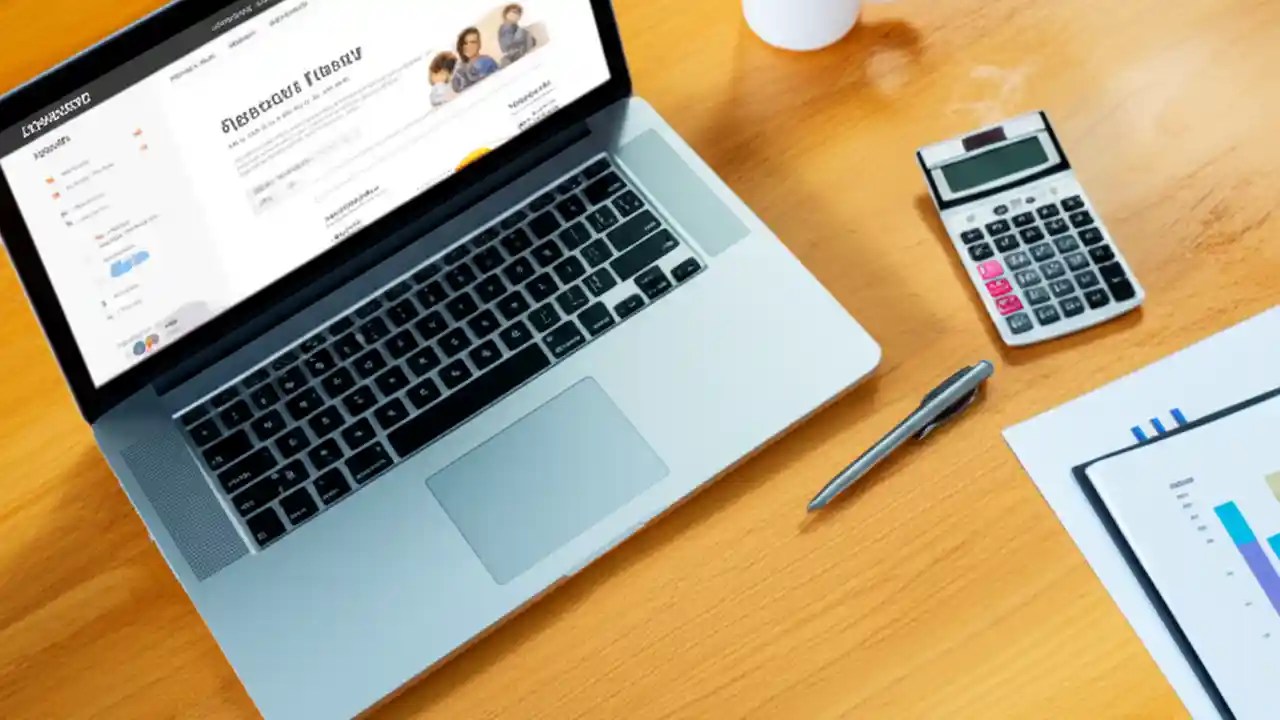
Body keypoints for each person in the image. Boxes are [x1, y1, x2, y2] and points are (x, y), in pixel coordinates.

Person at [451, 27, 499, 93]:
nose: (468, 46)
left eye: (473, 42)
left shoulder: (487, 62)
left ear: (479, 44)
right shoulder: (460, 69)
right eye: (465, 43)